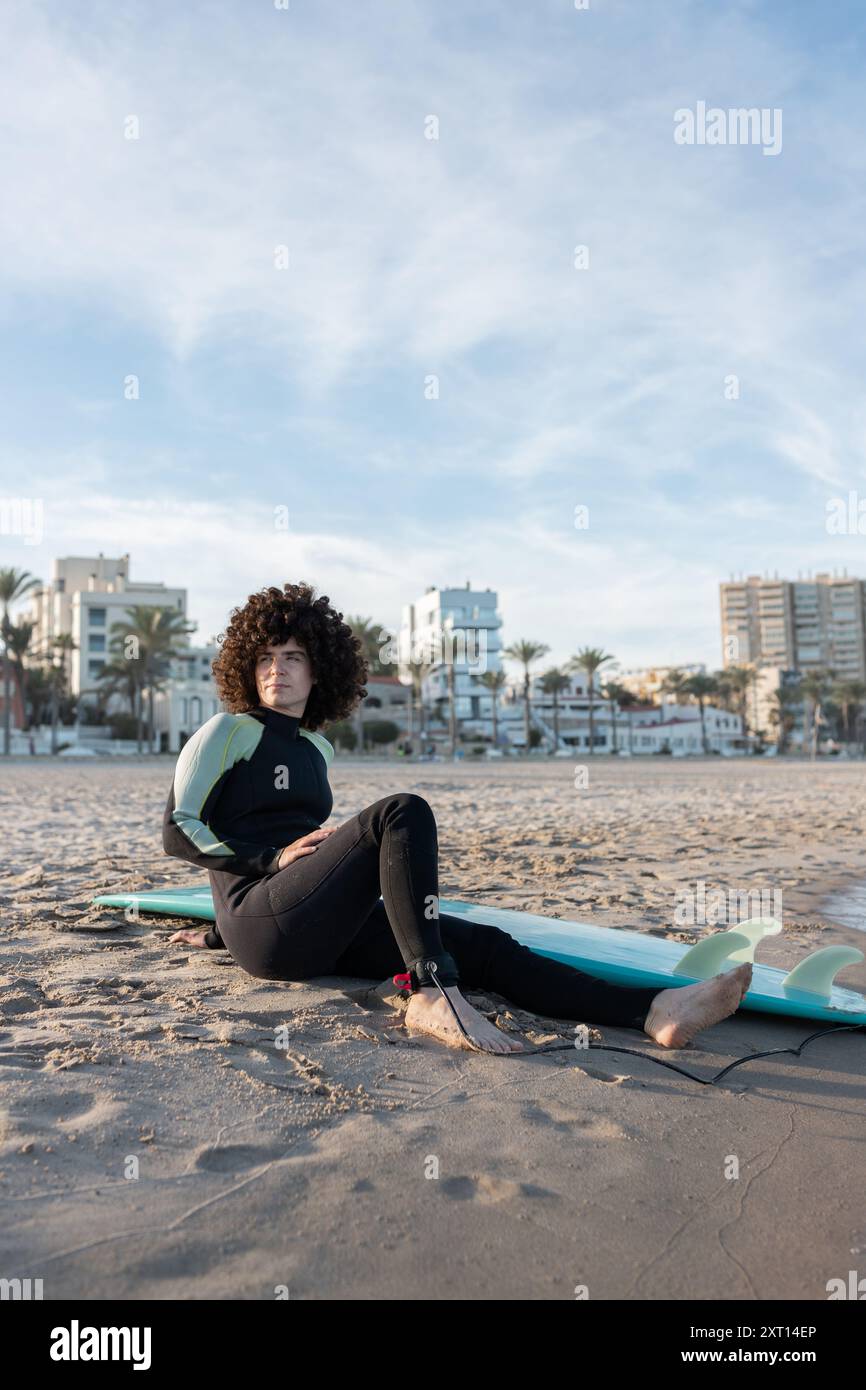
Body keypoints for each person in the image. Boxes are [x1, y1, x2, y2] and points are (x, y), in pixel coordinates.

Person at [162, 581, 752, 1055]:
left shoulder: (317, 751)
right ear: (246, 665)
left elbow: (314, 865)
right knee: (402, 813)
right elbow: (179, 828)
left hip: (306, 929)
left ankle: (653, 1012)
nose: (277, 670)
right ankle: (429, 992)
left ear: (320, 671)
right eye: (265, 657)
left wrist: (220, 923)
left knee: (486, 947)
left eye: (293, 657)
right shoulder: (227, 731)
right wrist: (255, 883)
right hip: (262, 928)